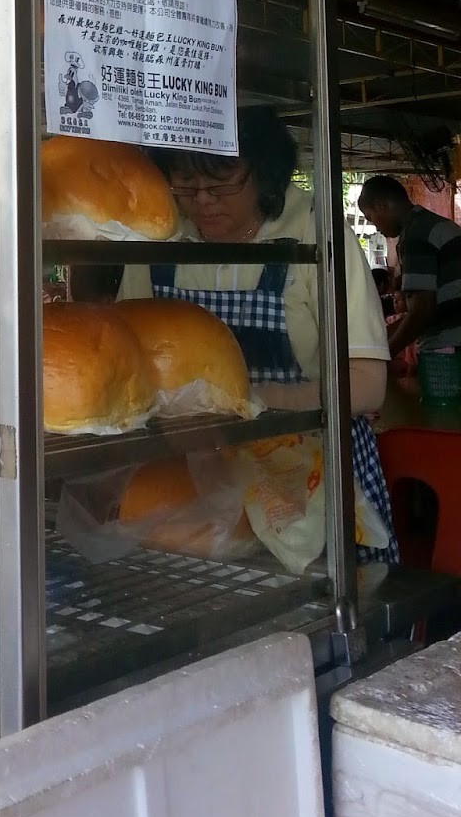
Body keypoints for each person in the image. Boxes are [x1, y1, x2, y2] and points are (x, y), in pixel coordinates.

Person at [119, 108, 397, 563]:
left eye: (223, 183)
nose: (203, 201)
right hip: (197, 478)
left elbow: (368, 384)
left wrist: (252, 401)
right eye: (186, 184)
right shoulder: (162, 236)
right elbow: (127, 355)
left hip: (313, 480)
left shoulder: (314, 230)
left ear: (264, 175)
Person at [357, 176, 461, 362]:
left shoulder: (415, 236)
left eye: (371, 219)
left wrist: (384, 356)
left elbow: (422, 311)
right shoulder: (436, 225)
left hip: (451, 346)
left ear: (382, 206)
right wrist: (376, 340)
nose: (376, 228)